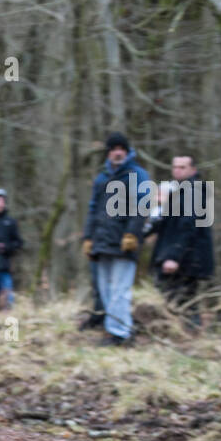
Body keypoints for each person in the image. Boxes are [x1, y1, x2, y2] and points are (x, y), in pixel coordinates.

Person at [82, 131, 151, 346]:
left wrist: (132, 233)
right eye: (113, 149)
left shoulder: (138, 174)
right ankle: (115, 328)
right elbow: (93, 209)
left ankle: (119, 333)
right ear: (108, 153)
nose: (117, 153)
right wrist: (88, 237)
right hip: (102, 241)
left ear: (127, 151)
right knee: (105, 289)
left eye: (121, 148)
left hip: (124, 240)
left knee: (120, 289)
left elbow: (142, 205)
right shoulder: (101, 178)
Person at [149, 155, 214, 330]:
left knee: (184, 300)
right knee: (177, 299)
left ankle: (190, 336)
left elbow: (187, 227)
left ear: (193, 170)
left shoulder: (192, 192)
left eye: (182, 167)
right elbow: (165, 223)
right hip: (182, 257)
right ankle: (184, 333)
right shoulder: (178, 192)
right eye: (175, 167)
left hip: (187, 259)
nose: (177, 170)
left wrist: (173, 257)